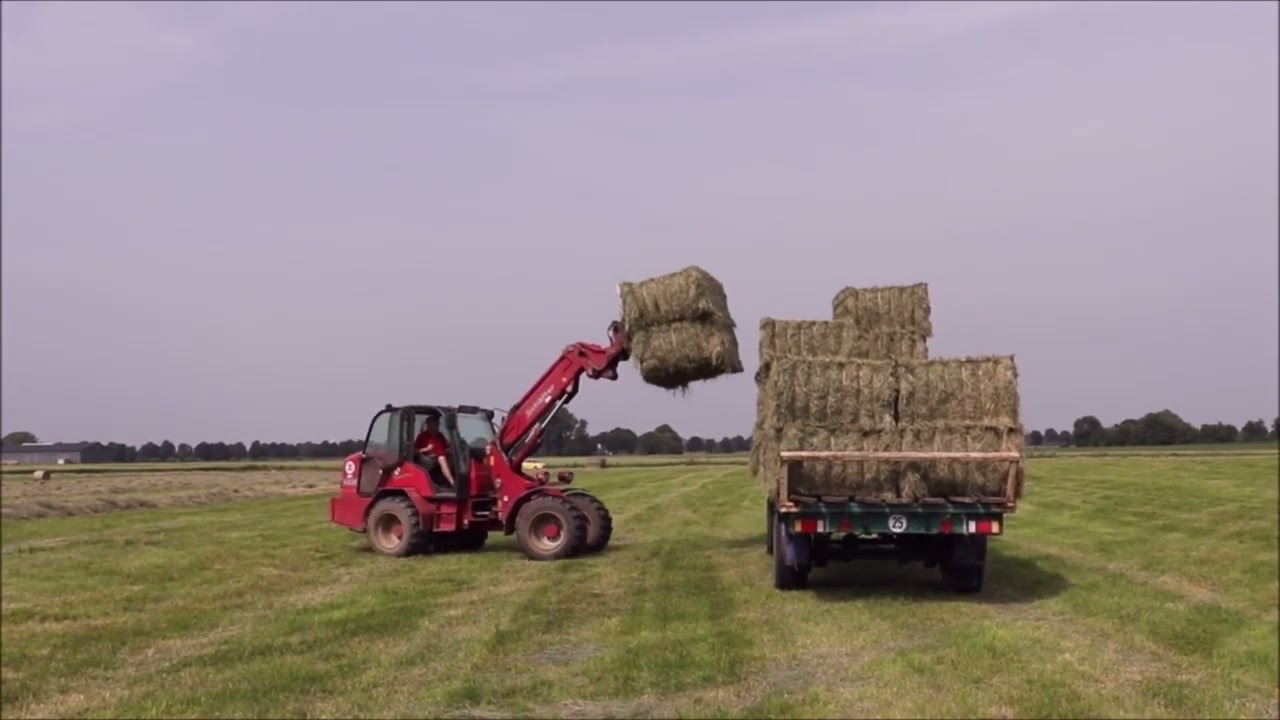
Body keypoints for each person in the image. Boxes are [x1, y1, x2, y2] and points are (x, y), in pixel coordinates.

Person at [413, 414, 456, 488]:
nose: (437, 425)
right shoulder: (422, 436)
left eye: (437, 423)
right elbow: (414, 451)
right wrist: (427, 449)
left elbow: (445, 447)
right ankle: (453, 483)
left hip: (441, 457)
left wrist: (450, 448)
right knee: (441, 458)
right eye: (435, 423)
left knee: (456, 457)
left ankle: (446, 481)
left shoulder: (440, 436)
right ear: (428, 424)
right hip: (428, 459)